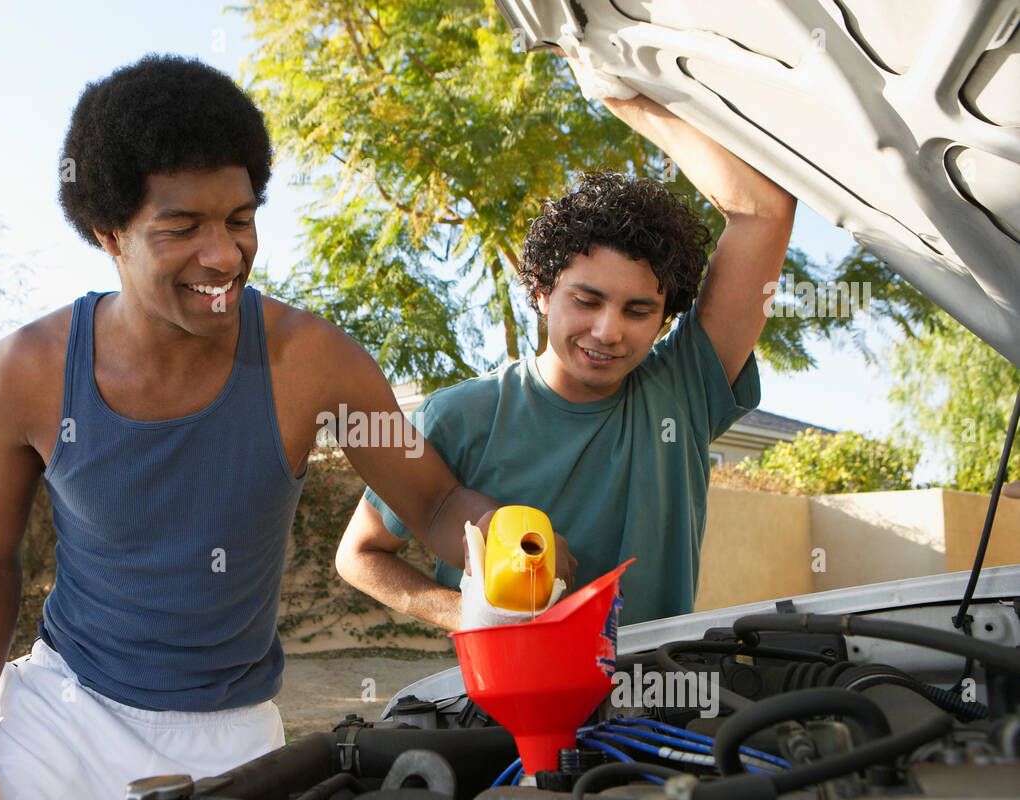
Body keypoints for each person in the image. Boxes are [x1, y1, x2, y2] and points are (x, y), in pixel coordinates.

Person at [0, 54, 530, 800]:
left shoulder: (313, 363)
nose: (225, 255)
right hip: (61, 708)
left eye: (240, 218)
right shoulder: (23, 374)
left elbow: (438, 505)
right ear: (108, 234)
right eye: (181, 228)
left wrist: (515, 546)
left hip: (229, 736)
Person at [335, 90, 798, 632]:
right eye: (587, 300)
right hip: (501, 708)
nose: (608, 331)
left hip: (656, 698)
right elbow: (359, 554)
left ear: (664, 317)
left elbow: (764, 211)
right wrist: (468, 615)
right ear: (541, 291)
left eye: (638, 310)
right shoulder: (458, 416)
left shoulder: (686, 387)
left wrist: (620, 93)